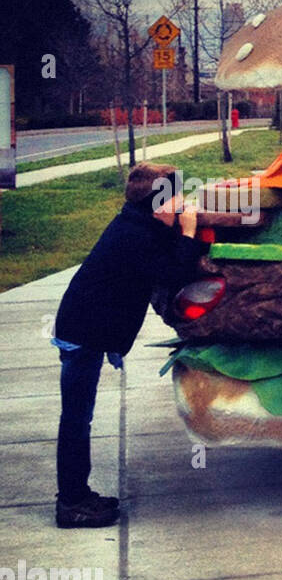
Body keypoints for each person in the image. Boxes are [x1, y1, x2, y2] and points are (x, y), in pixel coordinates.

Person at [51, 163, 205, 528]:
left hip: (85, 328)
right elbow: (173, 272)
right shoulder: (135, 237)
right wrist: (190, 230)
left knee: (78, 417)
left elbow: (167, 252)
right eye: (176, 197)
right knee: (76, 419)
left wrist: (182, 231)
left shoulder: (139, 224)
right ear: (159, 205)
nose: (183, 203)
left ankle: (77, 496)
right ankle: (71, 503)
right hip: (81, 334)